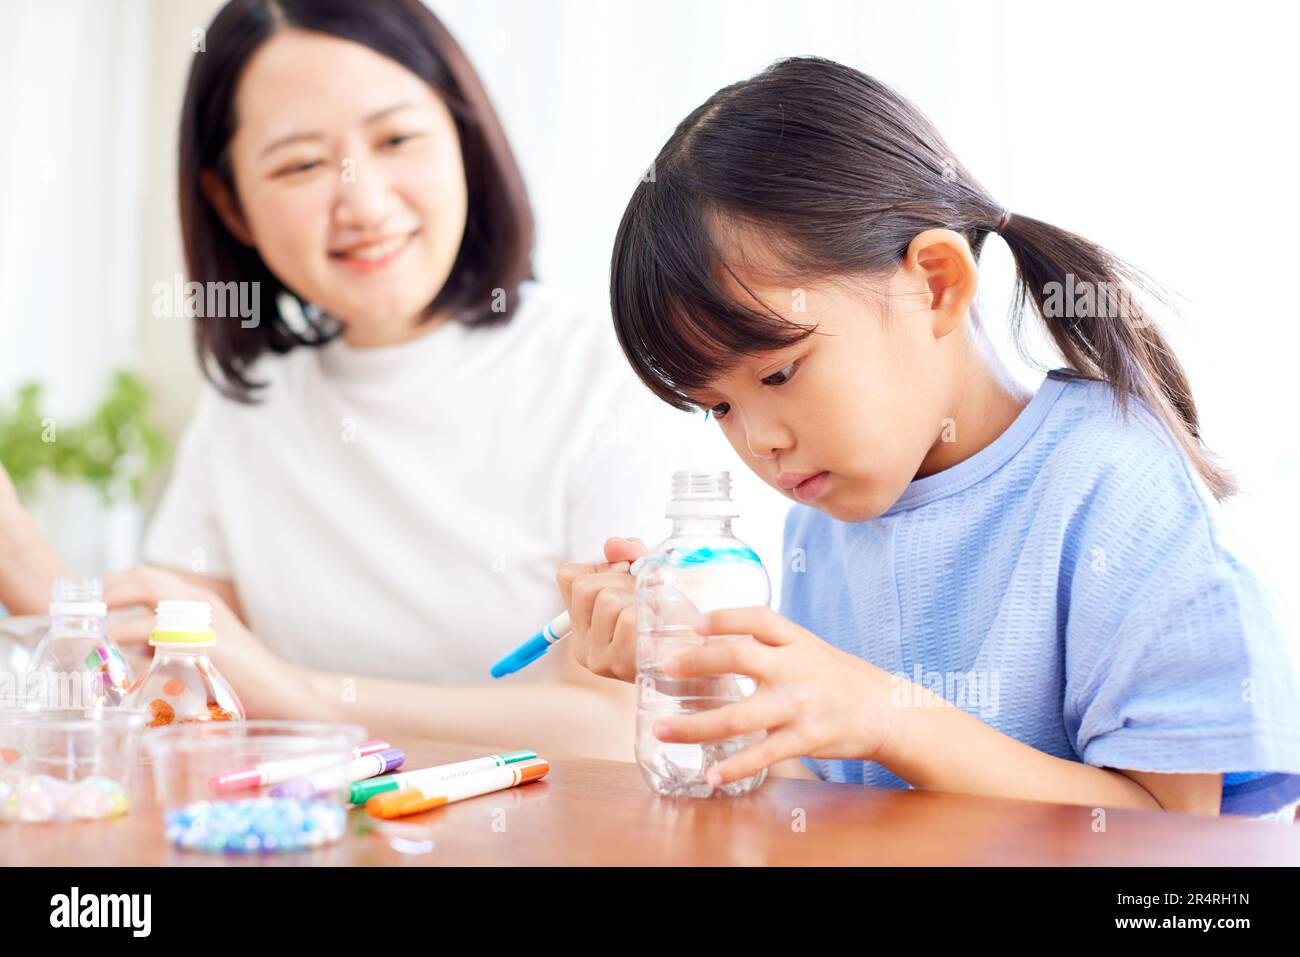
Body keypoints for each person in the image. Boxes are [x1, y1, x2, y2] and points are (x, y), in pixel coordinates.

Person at [559, 57, 1300, 815]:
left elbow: (1171, 837)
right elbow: (840, 809)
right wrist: (713, 685)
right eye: (716, 407)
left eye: (779, 375)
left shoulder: (1112, 482)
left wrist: (882, 714)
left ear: (936, 283)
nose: (760, 441)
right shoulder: (820, 521)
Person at [8, 0, 717, 762]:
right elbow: (169, 682)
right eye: (302, 165)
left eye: (398, 138)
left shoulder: (610, 377)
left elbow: (628, 725)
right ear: (230, 203)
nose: (366, 203)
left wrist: (295, 694)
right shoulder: (249, 407)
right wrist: (19, 560)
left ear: (464, 137)